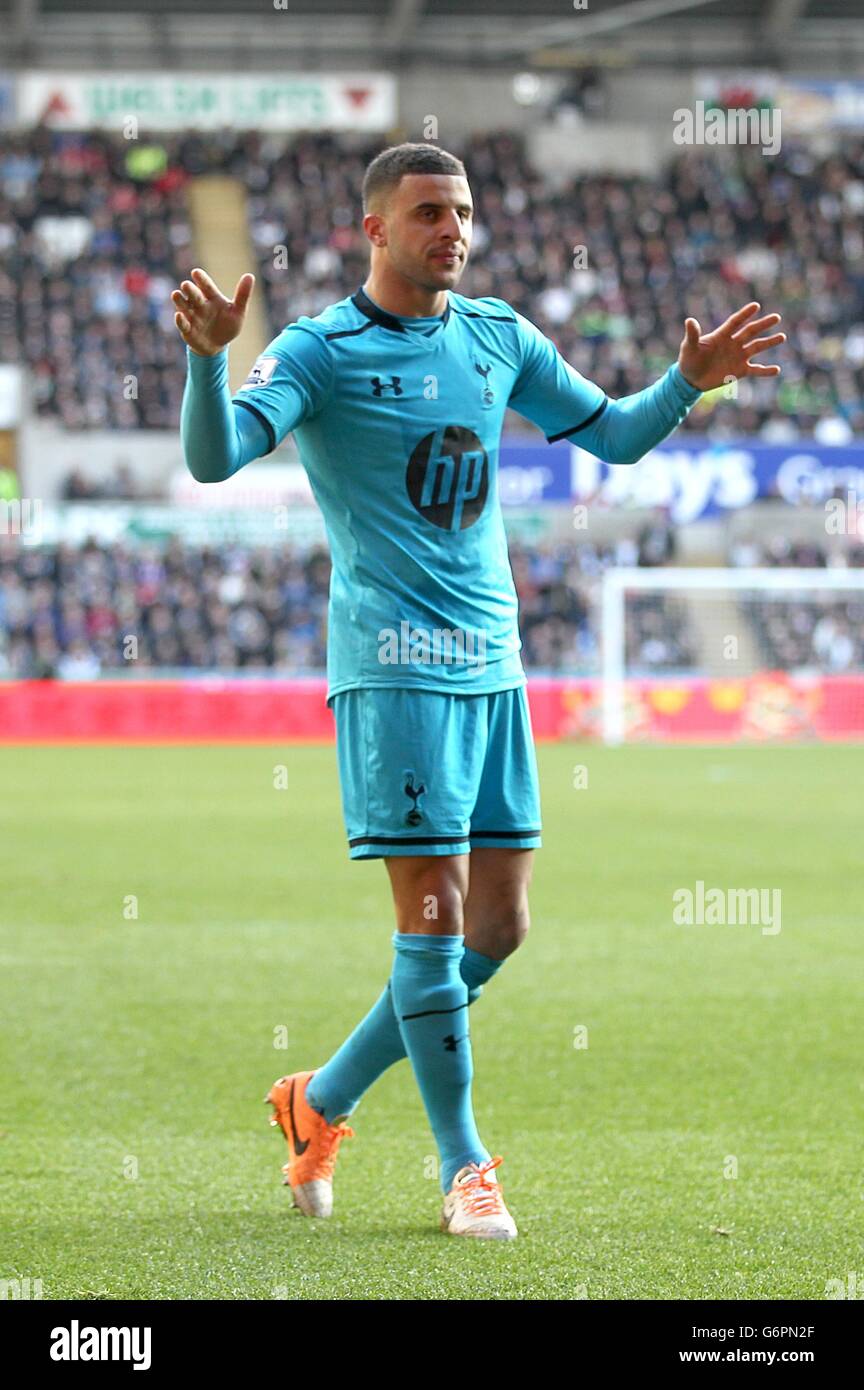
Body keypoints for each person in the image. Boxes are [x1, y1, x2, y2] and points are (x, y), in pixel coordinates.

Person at [174, 142, 784, 1239]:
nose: (450, 230)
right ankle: (466, 1167)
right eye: (426, 214)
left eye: (460, 212)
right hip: (394, 670)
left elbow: (616, 435)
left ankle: (317, 1101)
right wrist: (207, 364)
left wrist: (688, 383)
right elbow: (215, 461)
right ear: (374, 229)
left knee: (498, 929)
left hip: (494, 668)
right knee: (433, 917)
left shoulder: (498, 334)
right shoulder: (319, 351)